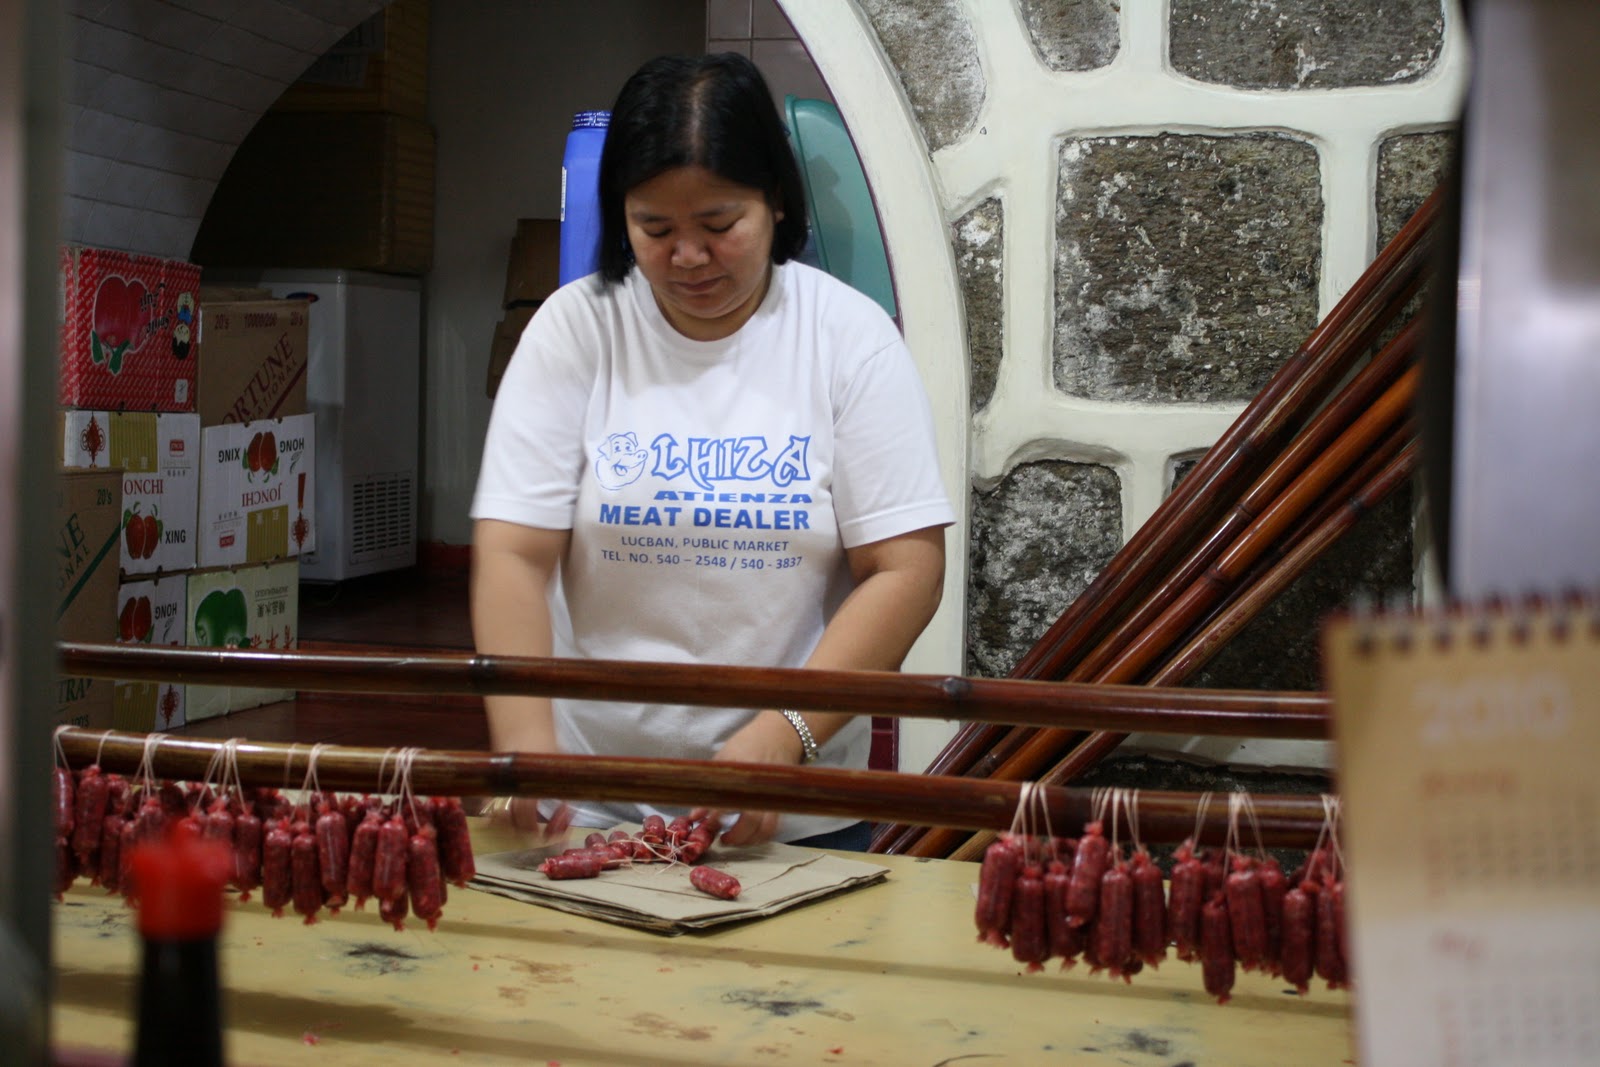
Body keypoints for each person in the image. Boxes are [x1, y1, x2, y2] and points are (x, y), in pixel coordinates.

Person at [469, 52, 954, 850]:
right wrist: (525, 740)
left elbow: (905, 570)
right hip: (589, 806)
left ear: (776, 202)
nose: (687, 257)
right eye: (655, 229)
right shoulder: (576, 328)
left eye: (720, 226)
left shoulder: (848, 338)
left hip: (791, 812)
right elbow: (514, 553)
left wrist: (786, 732)